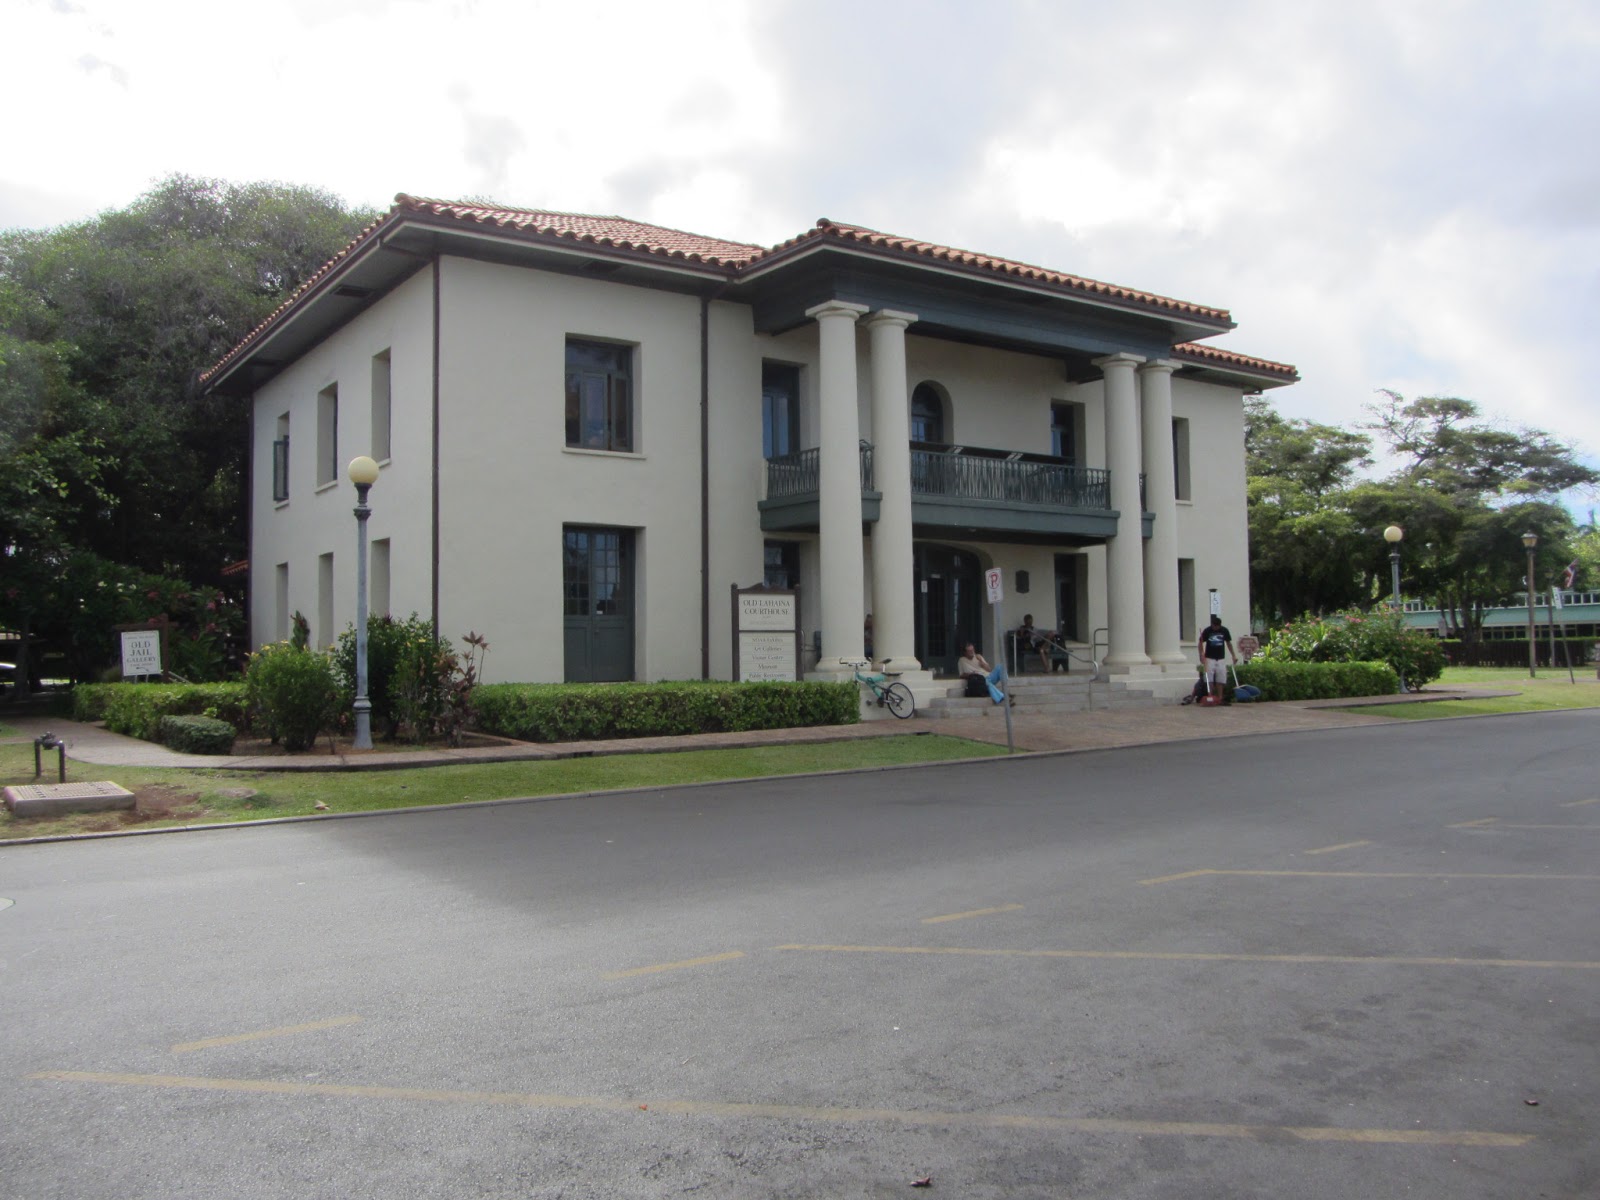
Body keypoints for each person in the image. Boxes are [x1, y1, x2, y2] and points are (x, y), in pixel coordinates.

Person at [1197, 614, 1237, 695]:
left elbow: (1228, 643)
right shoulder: (1207, 630)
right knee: (1209, 679)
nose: (1215, 628)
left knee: (1221, 678)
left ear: (1219, 625)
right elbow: (1200, 643)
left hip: (1220, 658)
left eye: (1216, 626)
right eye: (1213, 626)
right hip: (1209, 658)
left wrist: (1233, 655)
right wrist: (1201, 655)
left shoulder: (1224, 630)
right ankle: (1210, 696)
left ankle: (1220, 697)